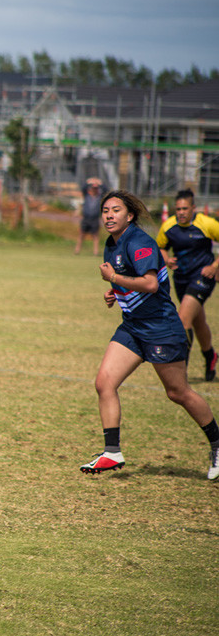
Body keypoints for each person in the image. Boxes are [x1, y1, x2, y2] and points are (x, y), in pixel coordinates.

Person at [81, 189, 219, 481]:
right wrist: (115, 292)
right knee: (104, 382)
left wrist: (114, 278)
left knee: (178, 392)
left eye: (116, 210)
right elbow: (129, 281)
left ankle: (218, 444)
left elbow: (150, 284)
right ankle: (112, 451)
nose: (109, 215)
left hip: (160, 328)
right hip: (133, 327)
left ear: (130, 216)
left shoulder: (140, 241)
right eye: (105, 210)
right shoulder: (112, 244)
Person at [156, 189, 219, 381]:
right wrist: (167, 260)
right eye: (178, 209)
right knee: (197, 322)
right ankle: (210, 356)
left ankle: (181, 371)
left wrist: (214, 266)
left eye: (185, 209)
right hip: (181, 279)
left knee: (183, 320)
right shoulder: (169, 226)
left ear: (193, 208)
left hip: (203, 277)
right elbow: (161, 247)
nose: (181, 212)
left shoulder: (207, 224)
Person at [75, 177, 106, 256]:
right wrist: (88, 182)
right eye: (93, 188)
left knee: (95, 235)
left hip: (95, 218)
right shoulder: (87, 196)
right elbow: (83, 188)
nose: (95, 190)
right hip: (86, 218)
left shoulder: (99, 197)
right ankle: (77, 250)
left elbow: (106, 190)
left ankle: (95, 252)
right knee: (81, 234)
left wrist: (100, 183)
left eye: (96, 188)